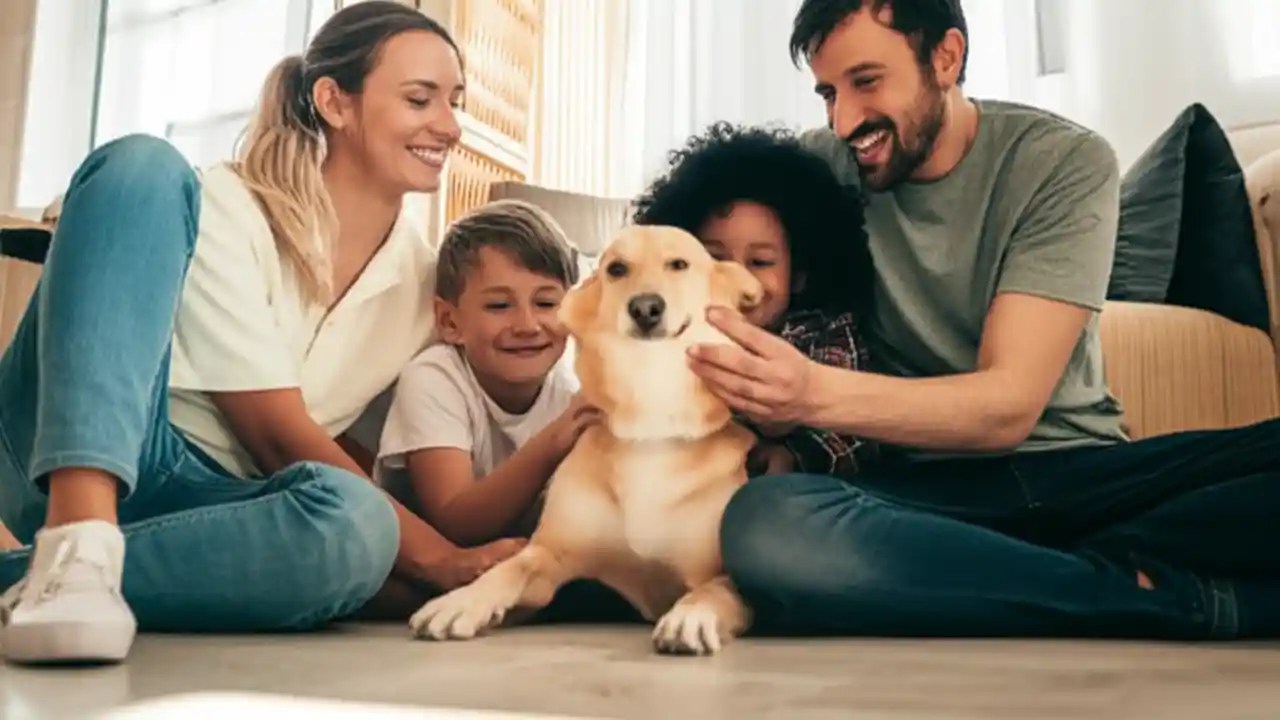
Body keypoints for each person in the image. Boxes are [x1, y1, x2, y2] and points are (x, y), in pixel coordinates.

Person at [689, 0, 1280, 639]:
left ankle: (1027, 576)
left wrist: (808, 394)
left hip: (1080, 473)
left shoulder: (1063, 161)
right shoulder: (820, 169)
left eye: (867, 82)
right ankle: (1163, 596)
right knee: (766, 523)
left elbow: (1006, 408)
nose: (844, 120)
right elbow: (690, 257)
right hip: (917, 496)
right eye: (829, 93)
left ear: (946, 58)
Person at [0, 1, 518, 665]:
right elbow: (273, 432)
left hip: (213, 505)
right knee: (143, 165)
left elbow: (364, 459)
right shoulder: (226, 203)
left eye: (455, 102)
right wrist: (438, 559)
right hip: (82, 446)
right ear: (335, 102)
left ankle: (46, 576)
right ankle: (77, 532)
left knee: (357, 525)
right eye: (420, 99)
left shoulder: (423, 285)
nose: (448, 126)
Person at [632, 121, 876, 478]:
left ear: (799, 275)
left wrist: (793, 454)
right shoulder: (669, 331)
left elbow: (853, 438)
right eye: (714, 258)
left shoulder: (822, 335)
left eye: (760, 262)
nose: (738, 278)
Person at [376, 199, 599, 549]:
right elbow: (454, 521)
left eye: (545, 303)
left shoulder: (567, 391)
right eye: (499, 305)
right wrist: (555, 439)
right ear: (450, 322)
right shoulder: (434, 377)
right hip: (416, 558)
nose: (527, 325)